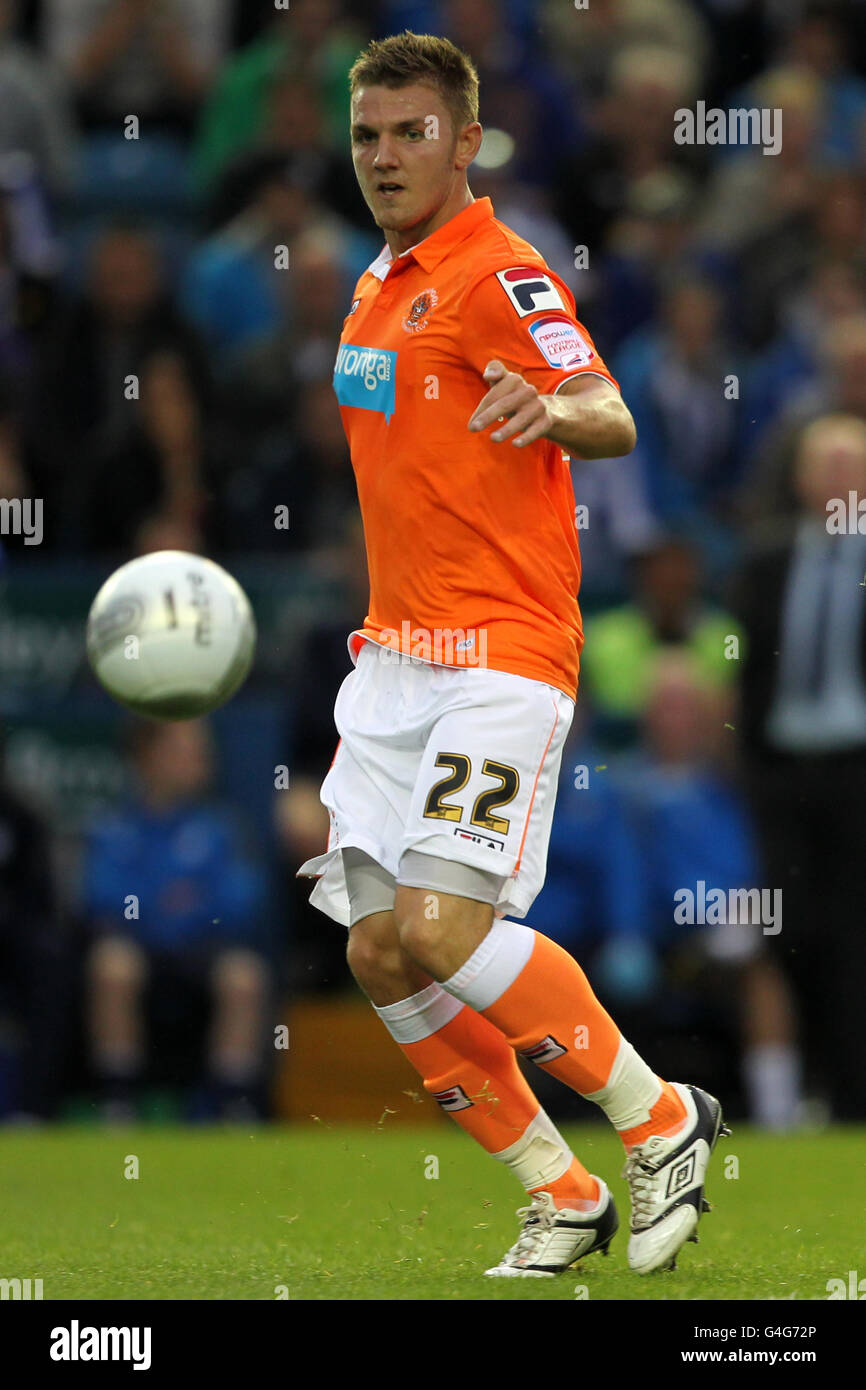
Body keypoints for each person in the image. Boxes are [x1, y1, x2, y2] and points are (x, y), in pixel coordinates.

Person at [297, 31, 728, 1280]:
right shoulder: (376, 283)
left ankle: (659, 1115)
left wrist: (552, 410)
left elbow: (610, 409)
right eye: (367, 133)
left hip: (499, 648)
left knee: (439, 923)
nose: (382, 155)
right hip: (394, 662)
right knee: (377, 949)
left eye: (408, 133)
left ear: (463, 141)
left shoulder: (501, 271)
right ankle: (563, 1189)